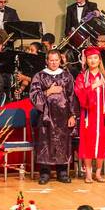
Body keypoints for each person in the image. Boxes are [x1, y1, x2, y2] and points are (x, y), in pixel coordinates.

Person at [29, 47, 78, 184]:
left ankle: (62, 172)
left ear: (60, 60)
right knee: (46, 143)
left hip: (63, 117)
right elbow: (34, 96)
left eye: (56, 60)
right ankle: (45, 173)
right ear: (47, 61)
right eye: (51, 60)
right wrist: (48, 92)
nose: (54, 63)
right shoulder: (40, 76)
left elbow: (72, 97)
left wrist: (72, 115)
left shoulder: (66, 76)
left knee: (63, 143)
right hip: (47, 116)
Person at [73, 47, 105, 182]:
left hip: (103, 116)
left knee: (102, 143)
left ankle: (98, 173)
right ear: (86, 60)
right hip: (89, 116)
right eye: (90, 58)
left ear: (99, 60)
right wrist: (91, 87)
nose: (92, 61)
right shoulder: (82, 77)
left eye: (95, 58)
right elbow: (79, 95)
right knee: (88, 144)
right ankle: (88, 174)